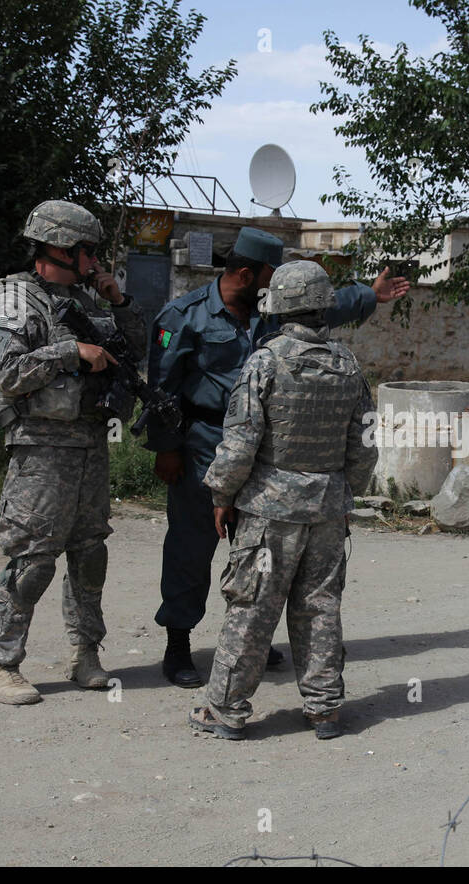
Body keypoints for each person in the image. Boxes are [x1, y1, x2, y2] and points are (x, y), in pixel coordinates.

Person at [145, 227, 407, 687]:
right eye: (270, 277)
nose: (277, 288)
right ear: (245, 274)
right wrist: (167, 449)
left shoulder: (270, 312)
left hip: (265, 453)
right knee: (191, 546)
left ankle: (251, 642)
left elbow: (328, 303)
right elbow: (162, 389)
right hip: (204, 443)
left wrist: (371, 293)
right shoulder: (182, 316)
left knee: (259, 554)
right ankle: (178, 643)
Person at [186, 260, 378, 740]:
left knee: (252, 606)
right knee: (321, 606)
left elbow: (240, 442)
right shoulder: (348, 364)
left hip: (270, 512)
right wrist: (343, 492)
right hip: (328, 508)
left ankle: (226, 710)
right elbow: (365, 445)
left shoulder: (266, 361)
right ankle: (324, 709)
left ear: (281, 305)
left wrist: (222, 493)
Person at [0, 200, 146, 705]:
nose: (95, 259)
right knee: (32, 560)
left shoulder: (88, 298)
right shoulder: (13, 297)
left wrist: (118, 302)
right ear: (60, 246)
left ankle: (85, 653)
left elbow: (134, 352)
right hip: (41, 448)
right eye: (89, 250)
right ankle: (1, 664)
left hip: (90, 444)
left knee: (90, 553)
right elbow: (4, 374)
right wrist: (68, 352)